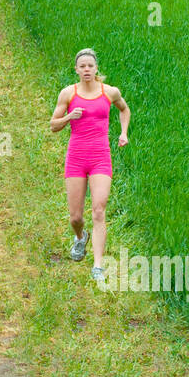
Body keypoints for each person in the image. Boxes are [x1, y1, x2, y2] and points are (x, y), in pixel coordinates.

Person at [49, 48, 130, 284]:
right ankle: (80, 237)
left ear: (96, 69)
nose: (86, 69)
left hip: (100, 157)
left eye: (90, 66)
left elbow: (124, 110)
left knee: (98, 210)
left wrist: (123, 133)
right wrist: (68, 118)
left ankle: (97, 266)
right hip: (76, 158)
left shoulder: (110, 92)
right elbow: (53, 125)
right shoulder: (68, 93)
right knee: (75, 217)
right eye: (82, 66)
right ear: (76, 70)